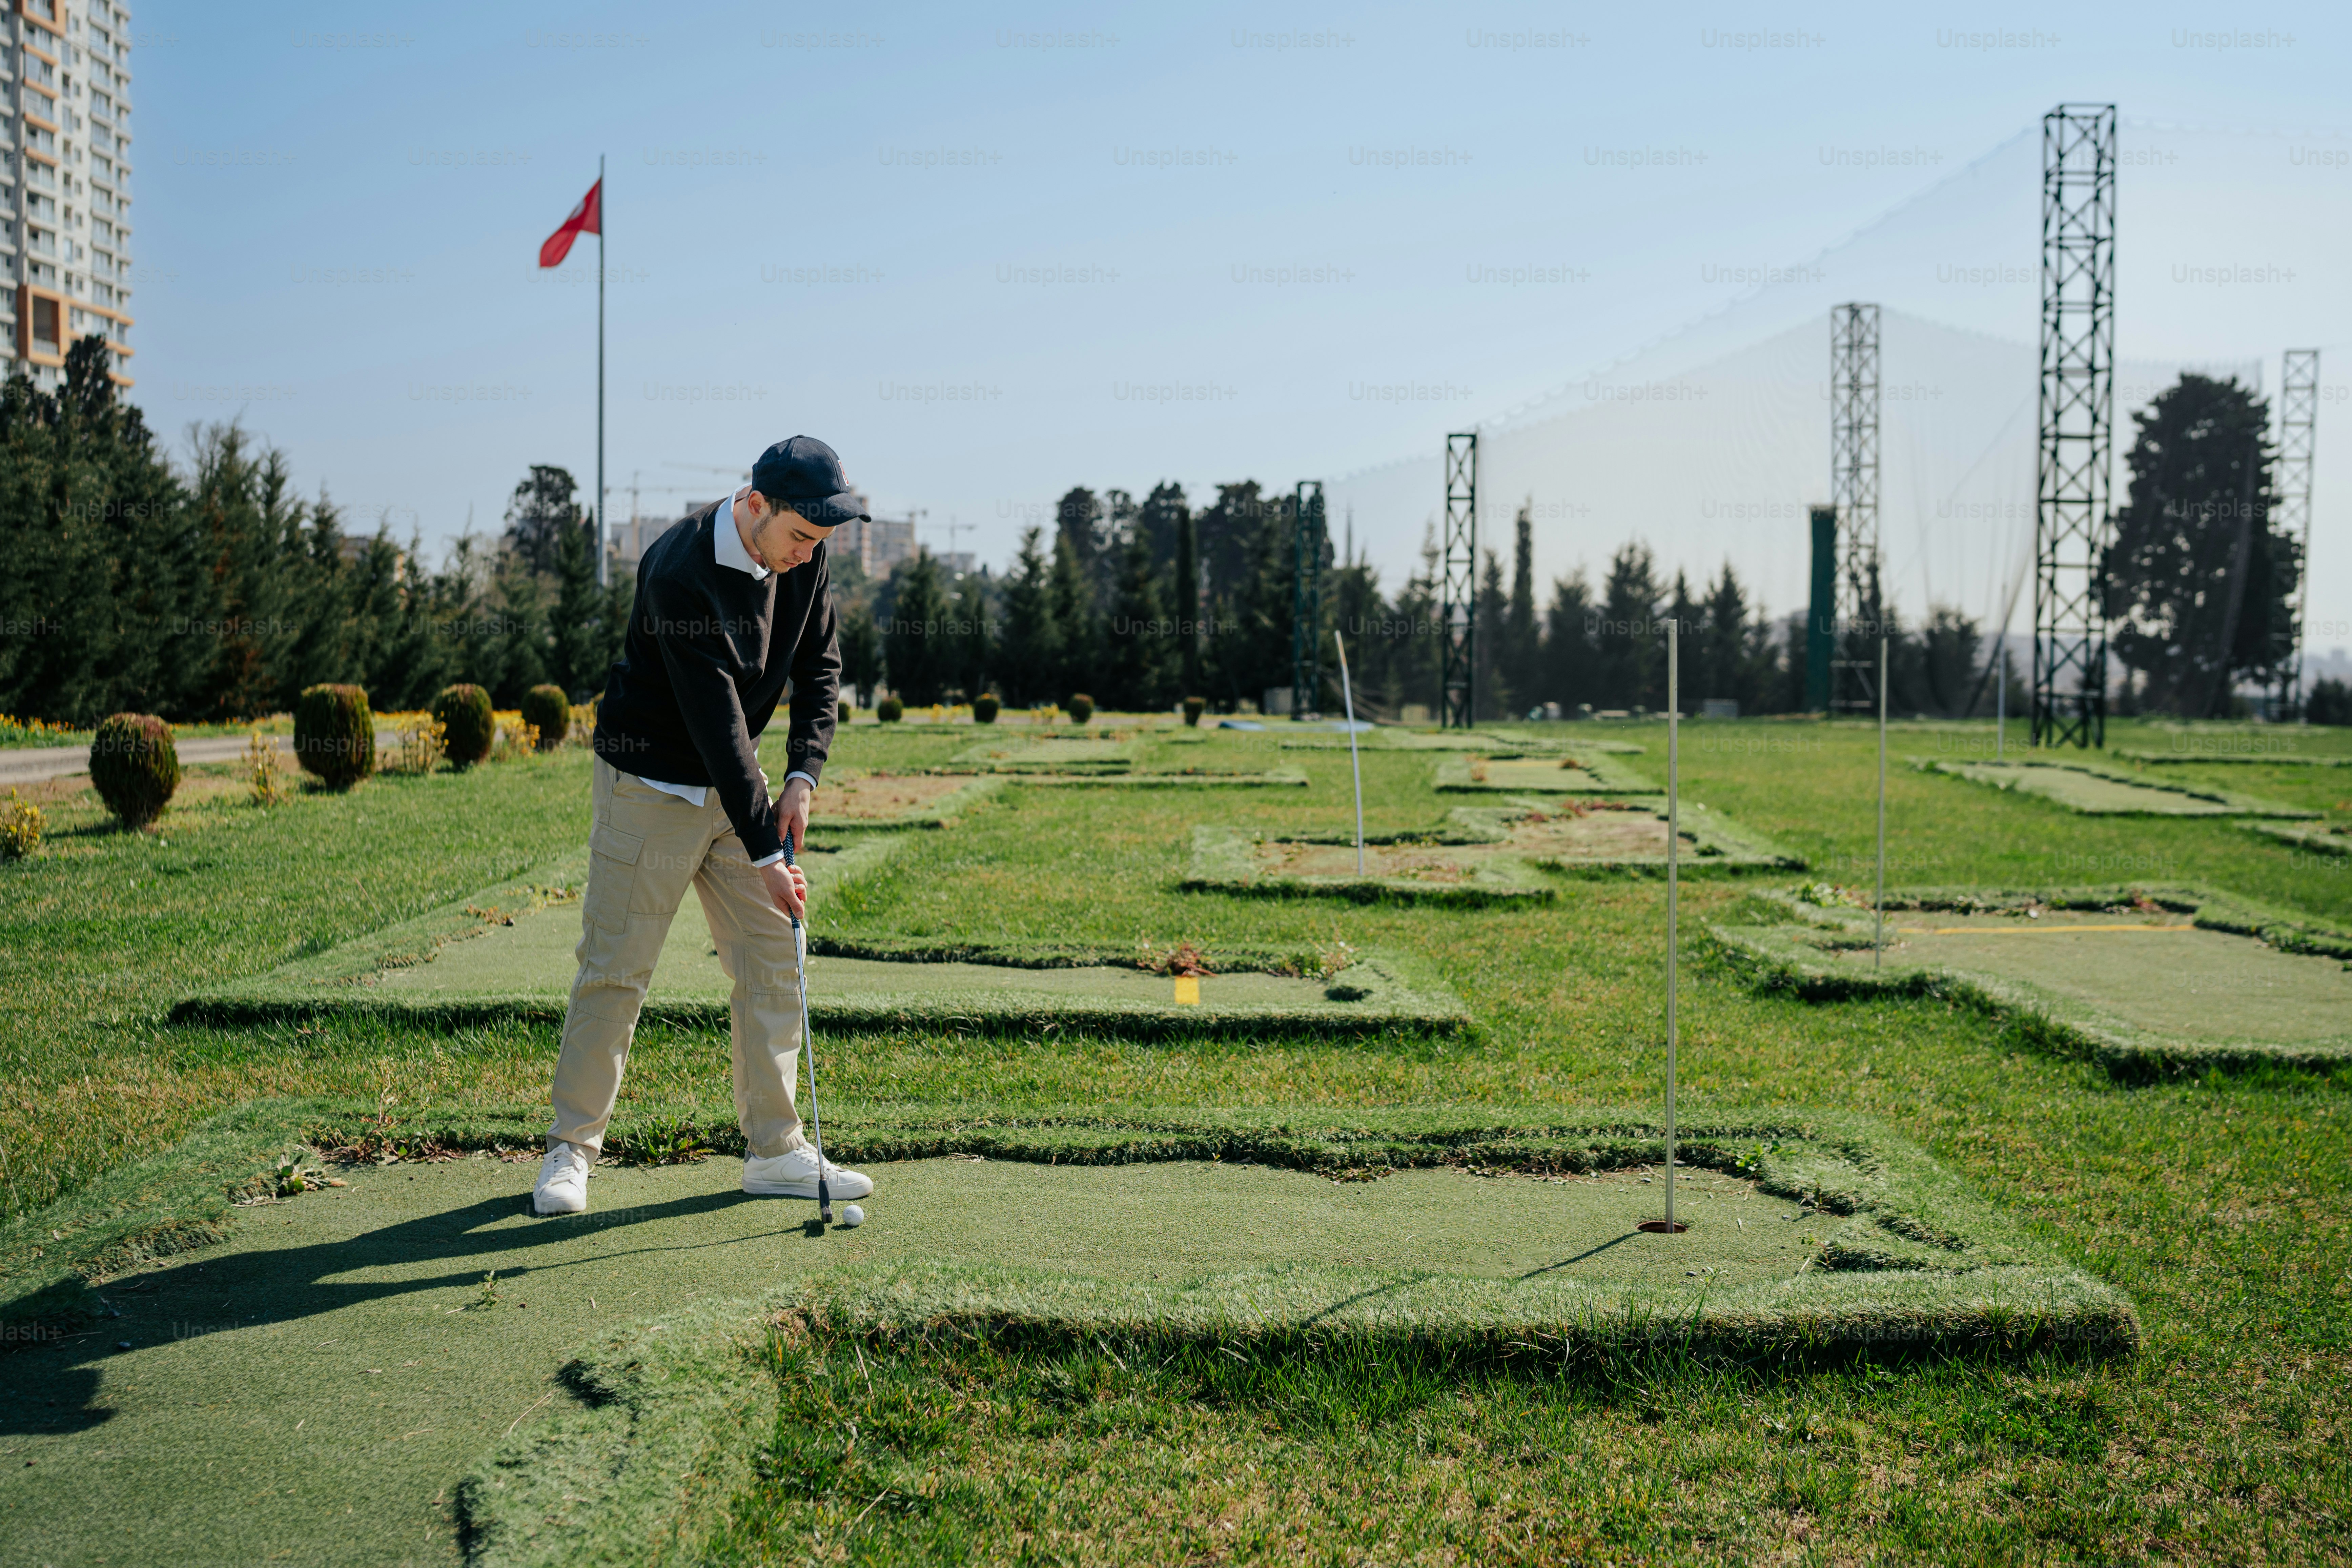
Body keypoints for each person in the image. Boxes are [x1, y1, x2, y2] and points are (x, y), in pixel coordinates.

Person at [533, 435, 875, 1216]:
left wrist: (801, 776)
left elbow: (821, 665)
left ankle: (777, 1151)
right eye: (798, 538)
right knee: (617, 969)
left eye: (817, 544)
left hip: (737, 784)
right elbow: (714, 724)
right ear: (756, 506)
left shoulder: (803, 550)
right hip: (649, 781)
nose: (805, 557)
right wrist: (766, 847)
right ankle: (571, 1151)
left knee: (774, 958)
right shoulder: (678, 570)